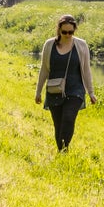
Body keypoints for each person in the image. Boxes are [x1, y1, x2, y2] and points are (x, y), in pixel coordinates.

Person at [35, 14, 97, 152]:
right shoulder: (49, 44)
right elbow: (44, 69)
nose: (68, 35)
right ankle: (61, 151)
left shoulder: (81, 45)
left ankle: (64, 150)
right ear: (59, 30)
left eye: (71, 32)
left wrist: (91, 92)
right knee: (58, 124)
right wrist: (38, 92)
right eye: (64, 32)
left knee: (68, 119)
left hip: (75, 90)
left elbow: (86, 70)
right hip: (54, 90)